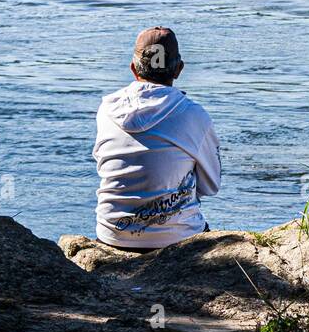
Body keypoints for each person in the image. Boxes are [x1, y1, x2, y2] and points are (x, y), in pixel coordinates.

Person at [92, 27, 222, 251]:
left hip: (111, 235)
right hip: (176, 237)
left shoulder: (106, 108)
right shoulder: (193, 114)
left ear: (133, 68)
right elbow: (210, 186)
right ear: (179, 69)